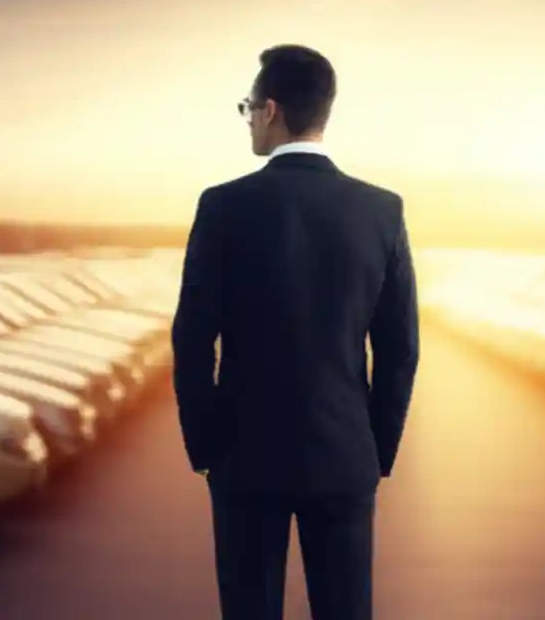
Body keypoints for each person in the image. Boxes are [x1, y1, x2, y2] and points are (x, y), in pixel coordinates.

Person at [171, 44, 420, 620]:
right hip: (343, 455)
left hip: (244, 457)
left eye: (248, 107)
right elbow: (400, 348)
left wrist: (206, 445)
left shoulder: (223, 206)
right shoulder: (381, 211)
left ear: (271, 109)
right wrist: (374, 449)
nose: (249, 120)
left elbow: (191, 341)